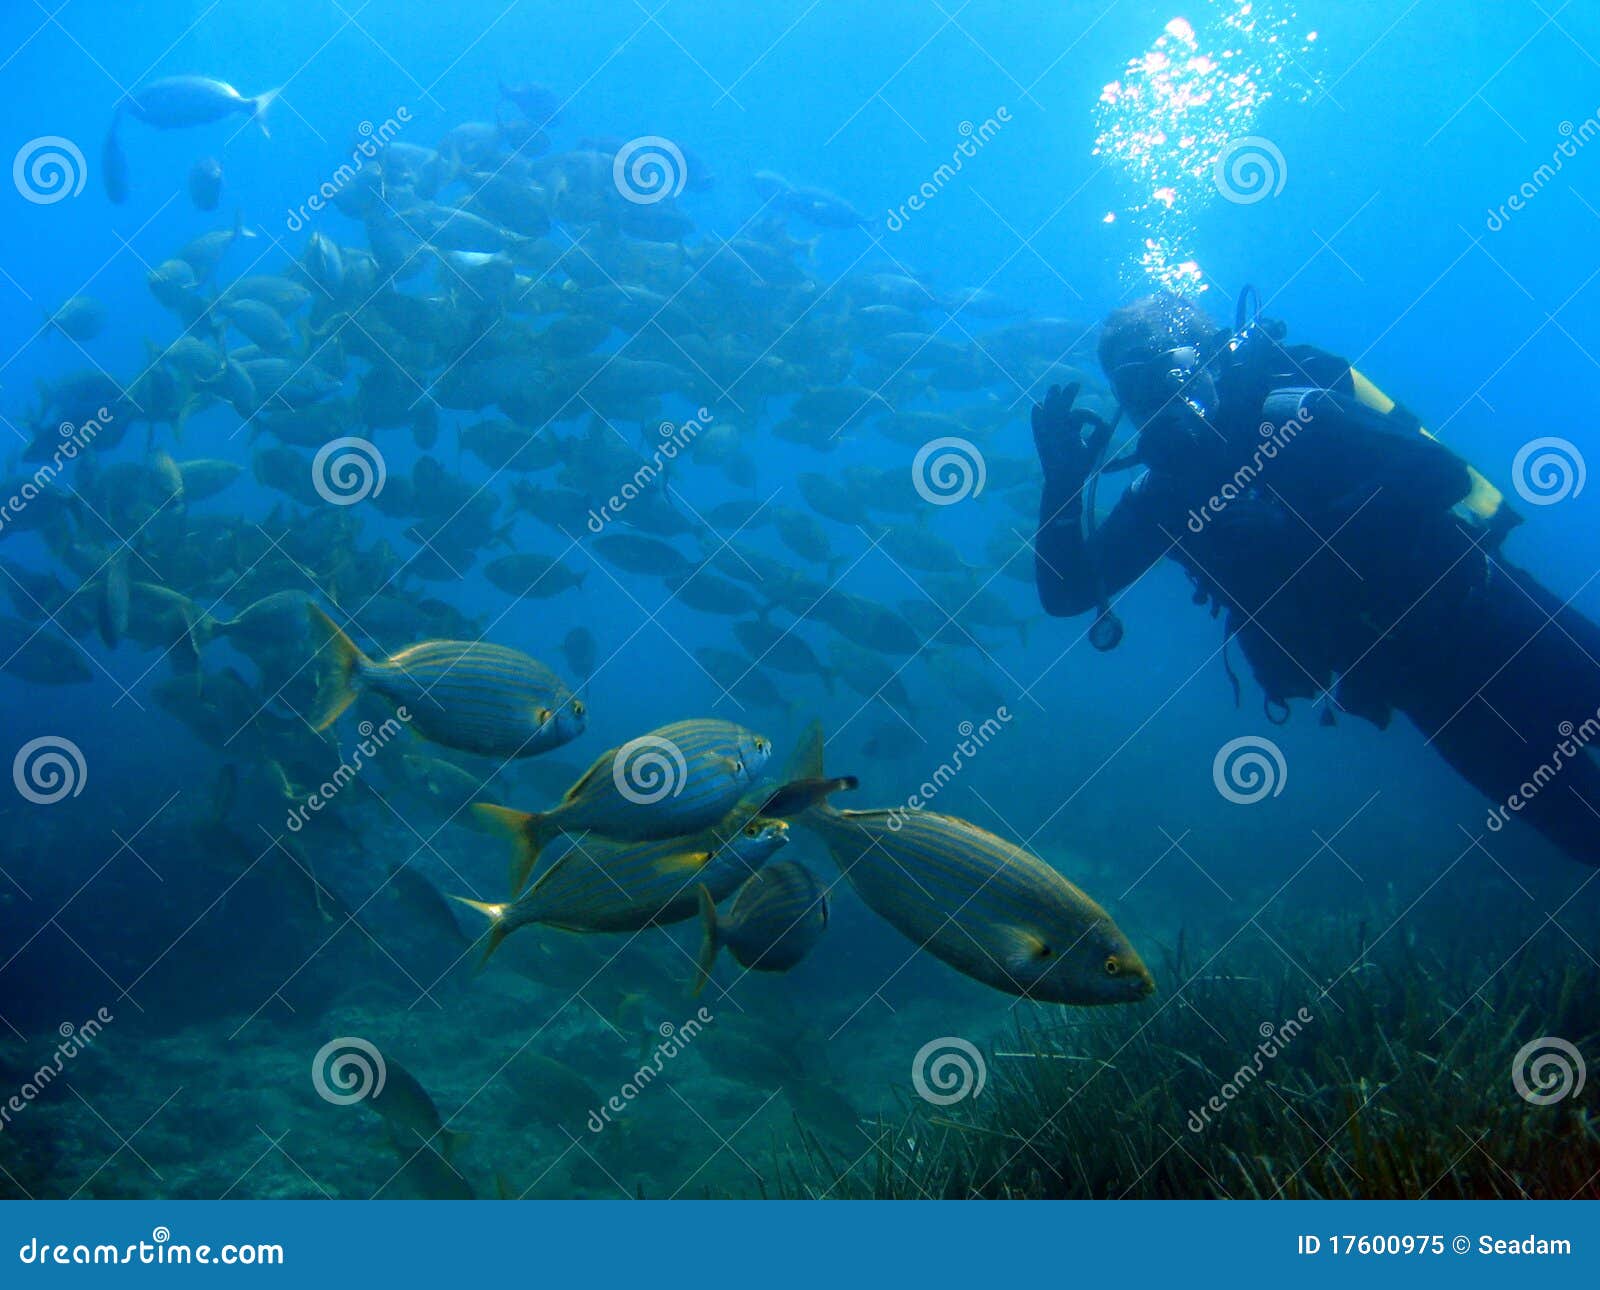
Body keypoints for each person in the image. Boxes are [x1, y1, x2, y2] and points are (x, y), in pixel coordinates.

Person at [1032, 288, 1600, 867]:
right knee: (1585, 829)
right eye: (1136, 393)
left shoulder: (1293, 408)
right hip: (1419, 684)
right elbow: (1068, 593)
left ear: (1209, 356)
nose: (1159, 401)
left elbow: (1443, 479)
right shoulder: (1165, 493)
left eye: (1166, 374)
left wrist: (1301, 529)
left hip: (1493, 617)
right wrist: (1061, 487)